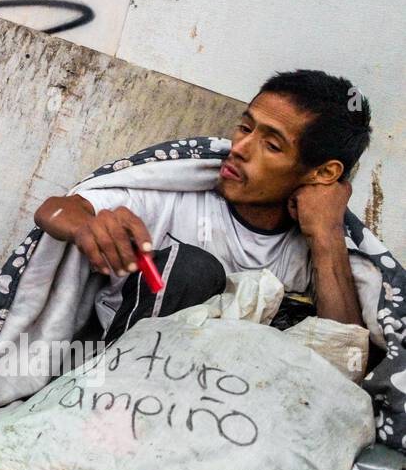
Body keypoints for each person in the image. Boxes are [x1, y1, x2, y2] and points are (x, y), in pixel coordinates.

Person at [34, 69, 370, 342]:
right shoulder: (174, 196)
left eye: (271, 144)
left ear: (324, 173)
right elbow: (55, 210)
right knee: (192, 269)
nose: (240, 148)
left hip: (229, 399)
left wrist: (327, 235)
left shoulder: (320, 251)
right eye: (245, 128)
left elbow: (343, 357)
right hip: (121, 383)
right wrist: (86, 226)